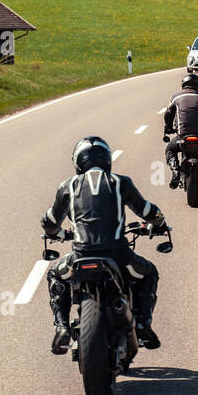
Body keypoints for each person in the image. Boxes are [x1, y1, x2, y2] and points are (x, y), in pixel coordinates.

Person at [42, 135, 168, 356]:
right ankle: (143, 324)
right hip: (119, 255)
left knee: (55, 274)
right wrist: (159, 223)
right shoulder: (121, 182)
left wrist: (57, 234)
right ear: (107, 160)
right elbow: (148, 211)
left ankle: (61, 327)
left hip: (79, 256)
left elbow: (50, 222)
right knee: (149, 273)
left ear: (78, 162)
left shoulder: (67, 186)